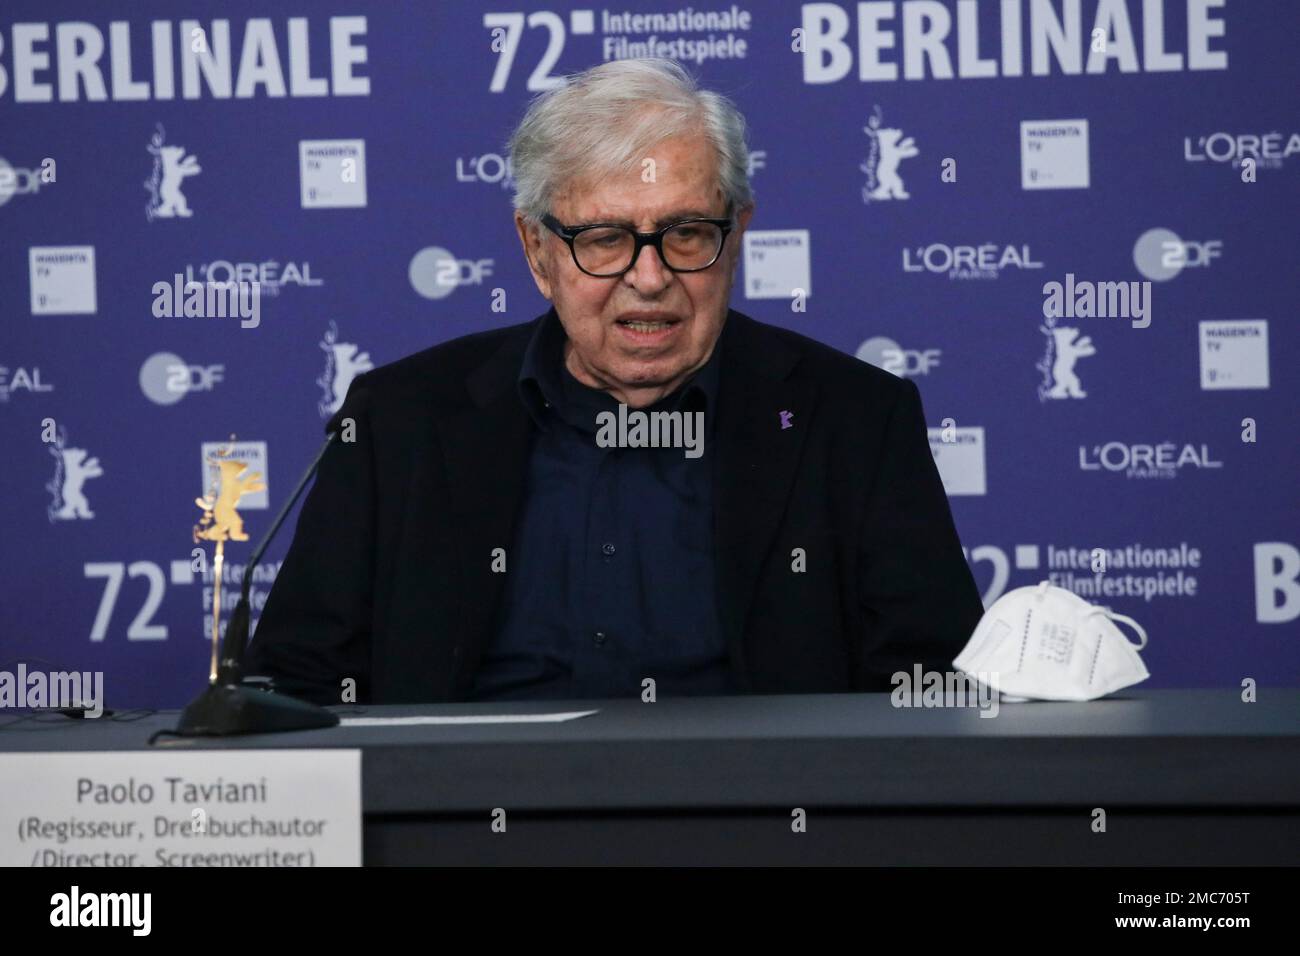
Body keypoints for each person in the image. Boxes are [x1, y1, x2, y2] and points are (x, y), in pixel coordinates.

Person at [246, 57, 985, 704]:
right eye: (605, 239)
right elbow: (296, 685)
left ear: (738, 236)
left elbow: (930, 685)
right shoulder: (398, 420)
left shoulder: (854, 418)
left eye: (687, 233)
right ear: (537, 251)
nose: (650, 278)